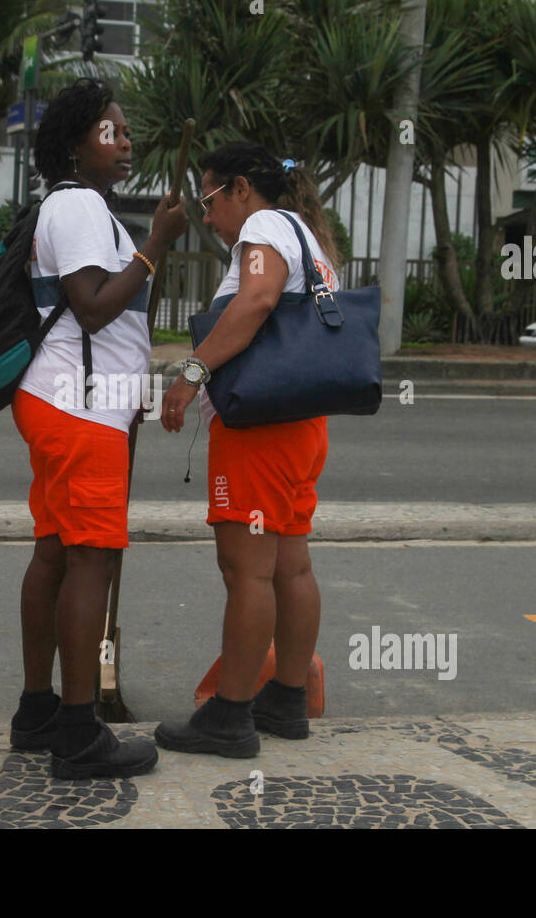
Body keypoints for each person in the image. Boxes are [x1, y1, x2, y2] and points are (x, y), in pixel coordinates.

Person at [7, 77, 189, 779]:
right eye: (111, 131)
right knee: (90, 558)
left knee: (55, 552)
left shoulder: (75, 206)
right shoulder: (80, 204)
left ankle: (37, 711)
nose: (126, 142)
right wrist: (156, 243)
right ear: (77, 144)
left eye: (127, 131)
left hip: (72, 401)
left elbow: (112, 312)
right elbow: (89, 307)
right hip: (78, 409)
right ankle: (78, 735)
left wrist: (127, 384)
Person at [153, 142, 343, 757]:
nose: (207, 218)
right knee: (291, 565)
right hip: (300, 427)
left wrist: (190, 374)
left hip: (260, 433)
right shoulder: (307, 235)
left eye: (210, 201)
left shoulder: (263, 225)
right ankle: (285, 700)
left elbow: (257, 301)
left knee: (246, 571)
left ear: (240, 188)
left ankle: (229, 714)